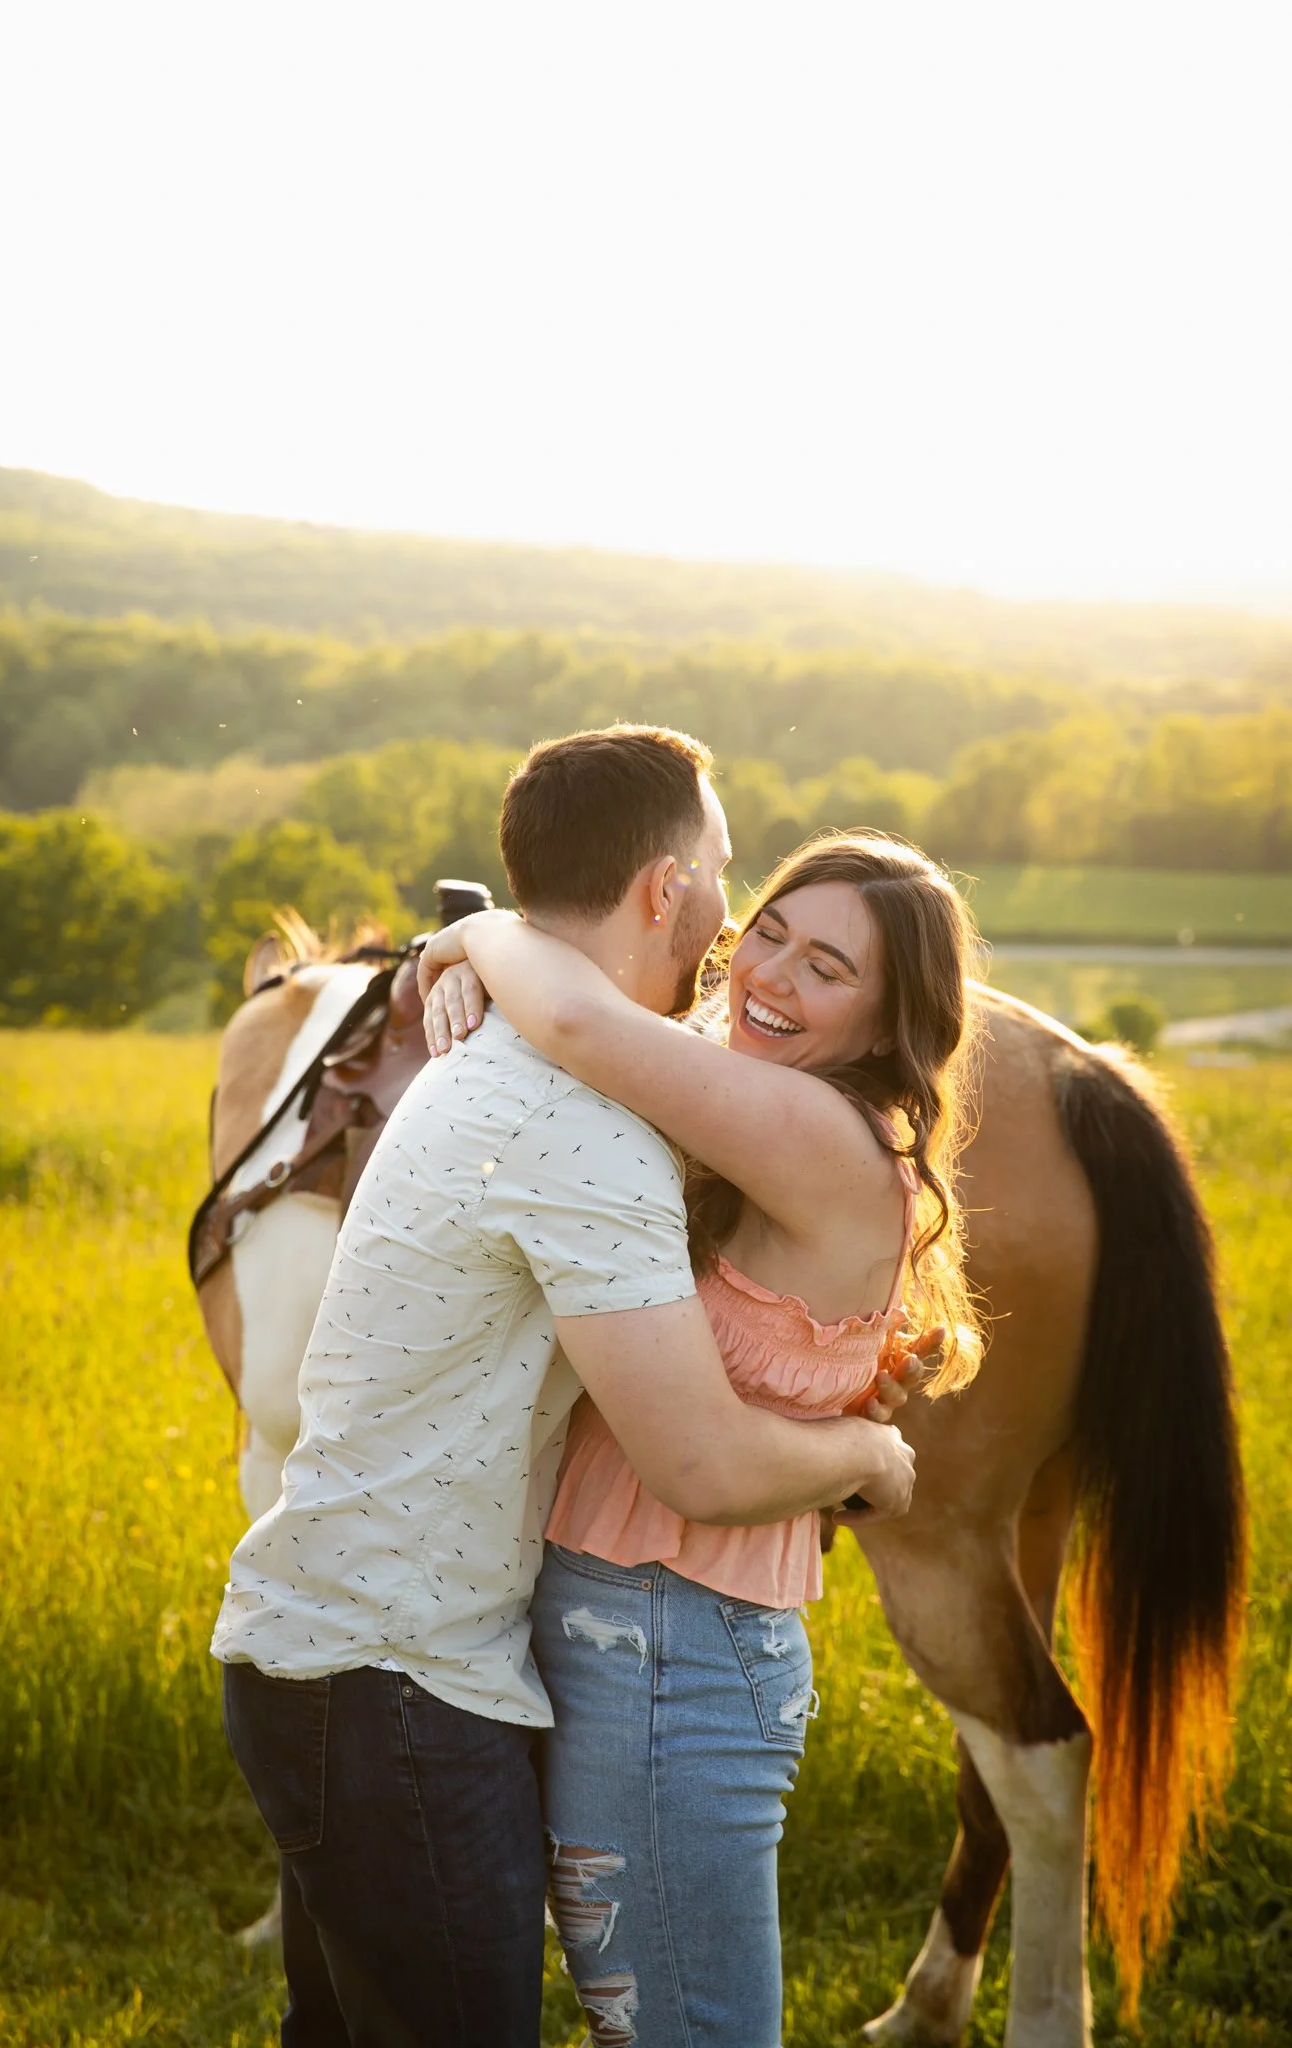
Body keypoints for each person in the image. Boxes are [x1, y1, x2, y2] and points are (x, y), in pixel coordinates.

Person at [211, 729, 918, 2048]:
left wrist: (468, 945)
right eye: (720, 870)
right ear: (664, 892)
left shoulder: (512, 1066)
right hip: (395, 1685)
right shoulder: (581, 1127)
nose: (729, 912)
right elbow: (697, 1467)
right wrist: (867, 1463)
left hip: (342, 1655)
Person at [417, 828, 981, 2048]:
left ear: (891, 1023)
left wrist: (474, 929)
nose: (772, 973)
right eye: (771, 929)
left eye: (828, 967)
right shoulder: (760, 1117)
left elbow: (582, 1027)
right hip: (637, 1629)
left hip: (671, 1648)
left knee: (684, 2028)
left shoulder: (816, 1134)